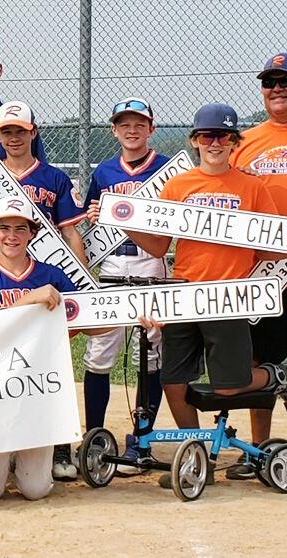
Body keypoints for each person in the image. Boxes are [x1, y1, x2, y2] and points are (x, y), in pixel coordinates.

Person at [116, 104, 287, 489]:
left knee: (229, 385)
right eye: (207, 136)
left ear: (234, 142)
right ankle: (197, 457)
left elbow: (268, 247)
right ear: (195, 141)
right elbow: (159, 245)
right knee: (174, 381)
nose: (215, 143)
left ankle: (279, 374)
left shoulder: (252, 187)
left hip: (227, 296)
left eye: (223, 136)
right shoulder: (179, 186)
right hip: (185, 293)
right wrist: (124, 223)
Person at [0, 196, 111, 502]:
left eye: (21, 228)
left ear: (33, 233)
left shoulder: (52, 276)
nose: (12, 236)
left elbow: (87, 324)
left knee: (35, 490)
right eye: (4, 228)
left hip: (36, 389)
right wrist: (30, 299)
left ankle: (16, 455)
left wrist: (129, 317)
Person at [0, 100, 87, 479]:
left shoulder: (53, 177)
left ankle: (58, 442)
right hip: (1, 276)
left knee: (51, 361)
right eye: (7, 132)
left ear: (33, 132)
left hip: (45, 272)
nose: (14, 137)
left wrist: (83, 280)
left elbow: (70, 230)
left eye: (20, 130)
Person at [227, 53, 287, 481]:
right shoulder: (245, 140)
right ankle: (258, 450)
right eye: (269, 81)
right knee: (262, 360)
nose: (277, 88)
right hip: (264, 275)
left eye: (286, 80)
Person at [81, 98, 170, 473]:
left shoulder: (167, 169)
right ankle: (95, 437)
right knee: (100, 352)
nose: (132, 130)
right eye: (124, 125)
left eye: (139, 124)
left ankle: (142, 440)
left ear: (151, 129)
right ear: (114, 130)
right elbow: (91, 216)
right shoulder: (104, 171)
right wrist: (93, 214)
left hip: (150, 265)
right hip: (113, 267)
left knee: (148, 354)